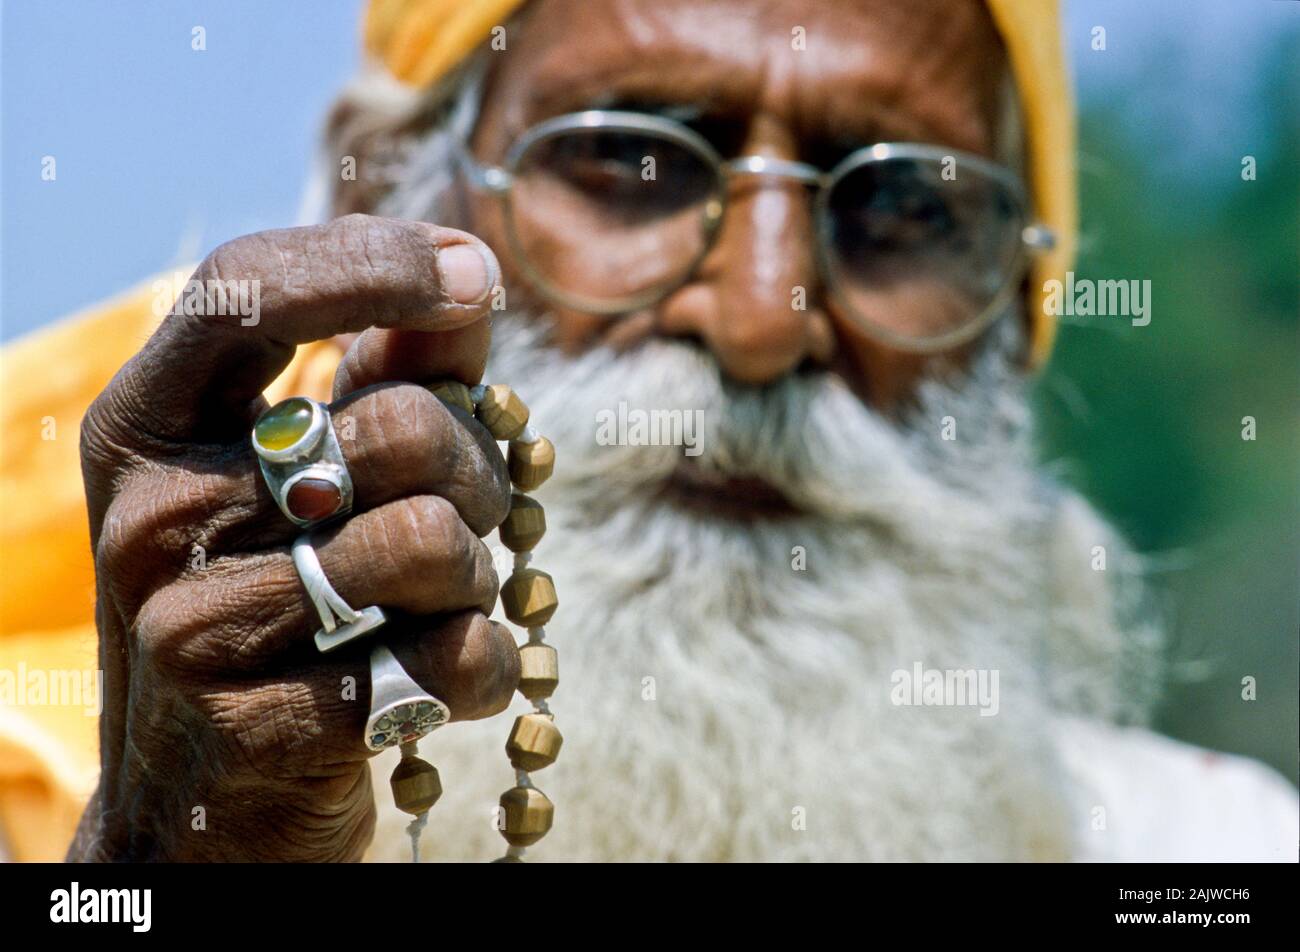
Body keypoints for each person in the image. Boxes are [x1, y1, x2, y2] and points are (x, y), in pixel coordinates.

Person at [1, 0, 1294, 862]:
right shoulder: (43, 797)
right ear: (382, 197)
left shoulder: (1204, 851)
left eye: (904, 204)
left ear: (1018, 306)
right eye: (632, 162)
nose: (761, 320)